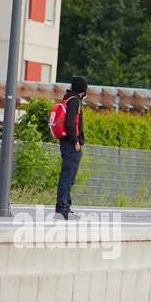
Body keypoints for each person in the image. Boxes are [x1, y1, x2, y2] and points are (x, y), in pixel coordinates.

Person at [55, 77, 87, 219]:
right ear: (83, 90)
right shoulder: (74, 101)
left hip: (66, 142)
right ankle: (62, 209)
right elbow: (70, 123)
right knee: (67, 177)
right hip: (70, 143)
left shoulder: (67, 98)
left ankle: (65, 208)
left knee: (68, 177)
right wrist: (75, 141)